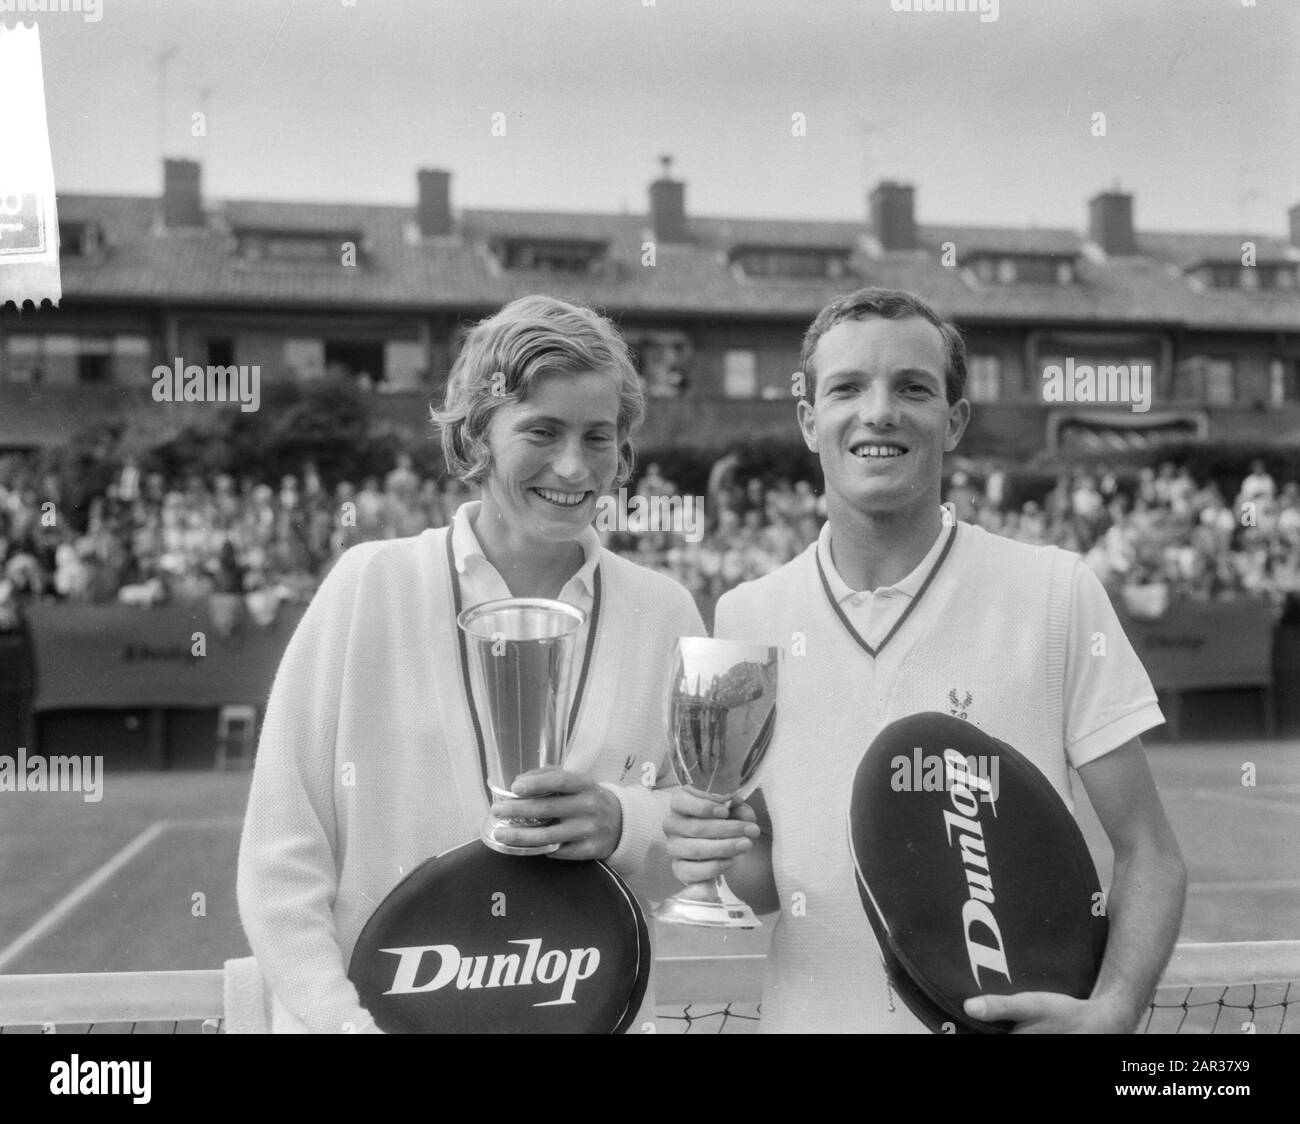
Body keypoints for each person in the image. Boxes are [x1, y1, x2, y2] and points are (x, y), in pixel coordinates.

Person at [663, 287, 1186, 1034]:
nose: (879, 411)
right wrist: (711, 850)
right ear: (811, 422)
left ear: (954, 421)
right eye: (847, 387)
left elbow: (1151, 853)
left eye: (913, 387)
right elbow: (770, 878)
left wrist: (1116, 1009)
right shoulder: (748, 615)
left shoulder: (1054, 591)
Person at [238, 295, 703, 1033]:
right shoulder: (370, 587)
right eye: (541, 431)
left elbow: (704, 833)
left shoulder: (665, 611)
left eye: (599, 436)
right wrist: (350, 1028)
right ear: (478, 437)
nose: (574, 466)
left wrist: (625, 819)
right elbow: (280, 858)